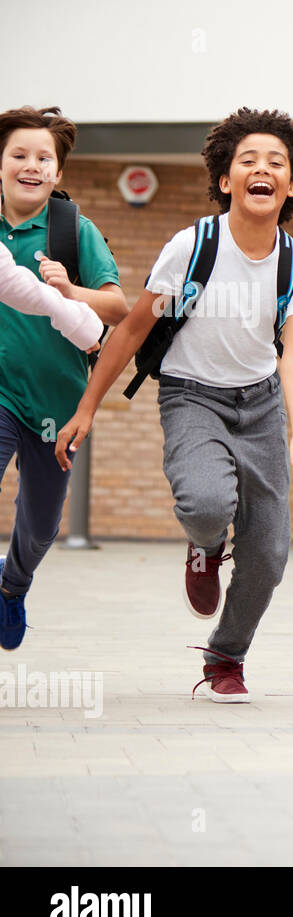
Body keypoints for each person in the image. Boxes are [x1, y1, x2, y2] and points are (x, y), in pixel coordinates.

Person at [55, 108, 293, 702]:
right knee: (205, 504)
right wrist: (87, 407)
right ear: (225, 180)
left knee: (271, 554)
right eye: (247, 160)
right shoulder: (192, 246)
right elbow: (128, 331)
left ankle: (227, 655)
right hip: (190, 396)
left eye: (276, 163)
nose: (262, 169)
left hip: (262, 404)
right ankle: (204, 548)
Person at [0, 105, 127, 651]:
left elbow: (120, 308)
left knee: (42, 523)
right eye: (19, 155)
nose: (31, 166)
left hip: (57, 403)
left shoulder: (73, 229)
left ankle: (12, 584)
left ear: (57, 172)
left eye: (43, 158)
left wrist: (70, 291)